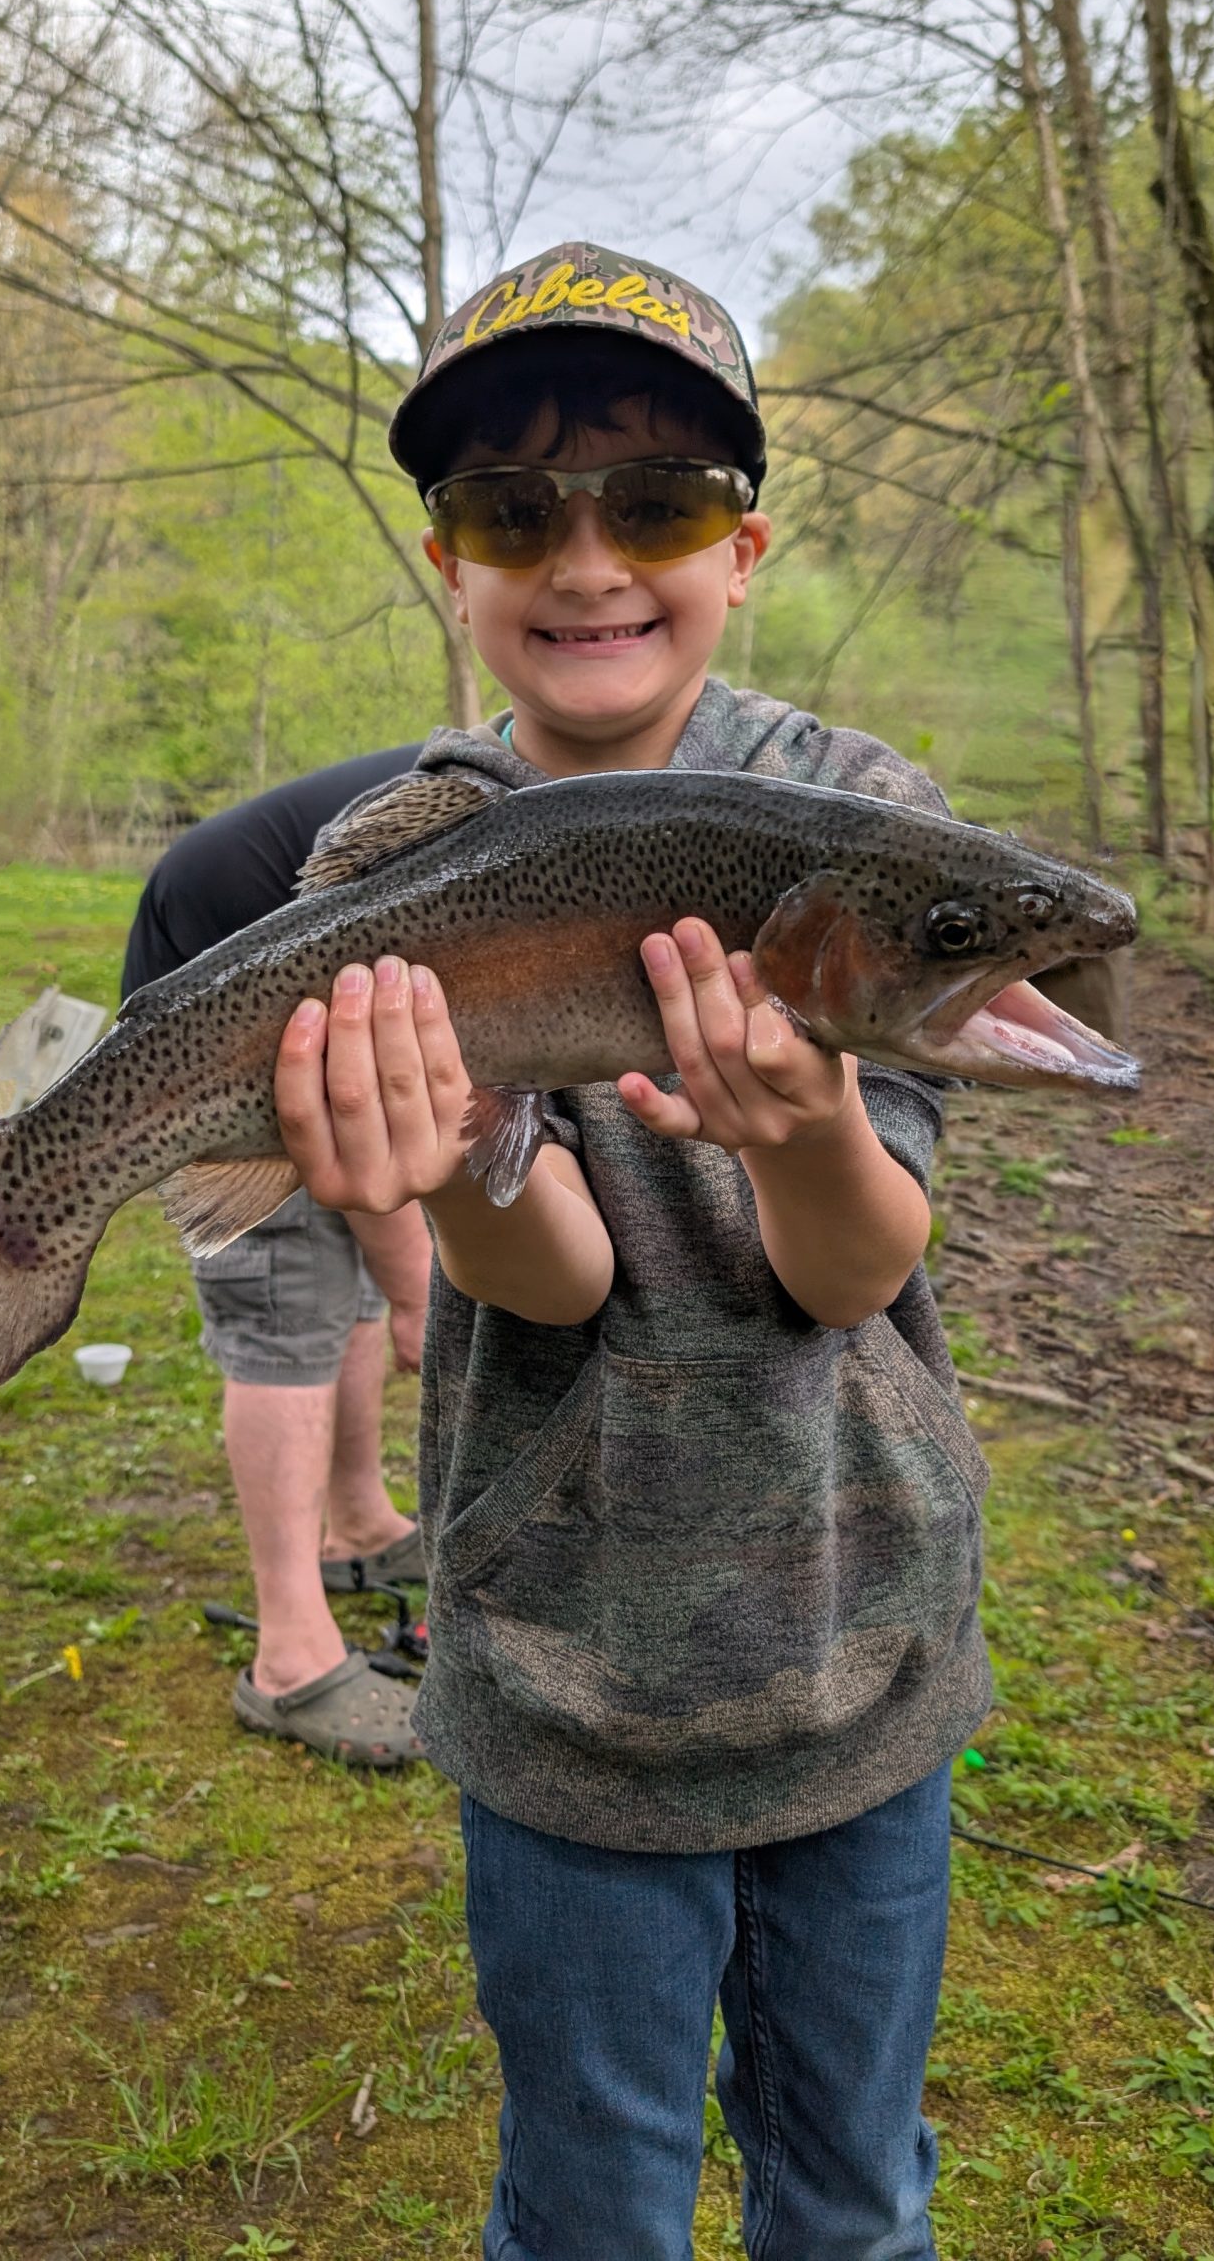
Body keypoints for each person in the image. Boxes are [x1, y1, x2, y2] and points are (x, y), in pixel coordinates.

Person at [256, 242, 991, 2260]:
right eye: (515, 510)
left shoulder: (859, 823)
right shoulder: (381, 867)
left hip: (862, 1639)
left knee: (851, 2203)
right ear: (450, 563)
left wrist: (815, 1120)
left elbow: (852, 1273)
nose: (587, 558)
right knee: (591, 2208)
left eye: (653, 502)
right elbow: (556, 1286)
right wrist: (457, 1161)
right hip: (564, 1666)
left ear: (741, 549)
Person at [123, 754, 434, 1761]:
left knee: (338, 1288)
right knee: (281, 1300)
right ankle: (290, 1655)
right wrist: (419, 1290)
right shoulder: (503, 782)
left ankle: (355, 1519)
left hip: (301, 976)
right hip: (222, 988)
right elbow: (372, 1144)